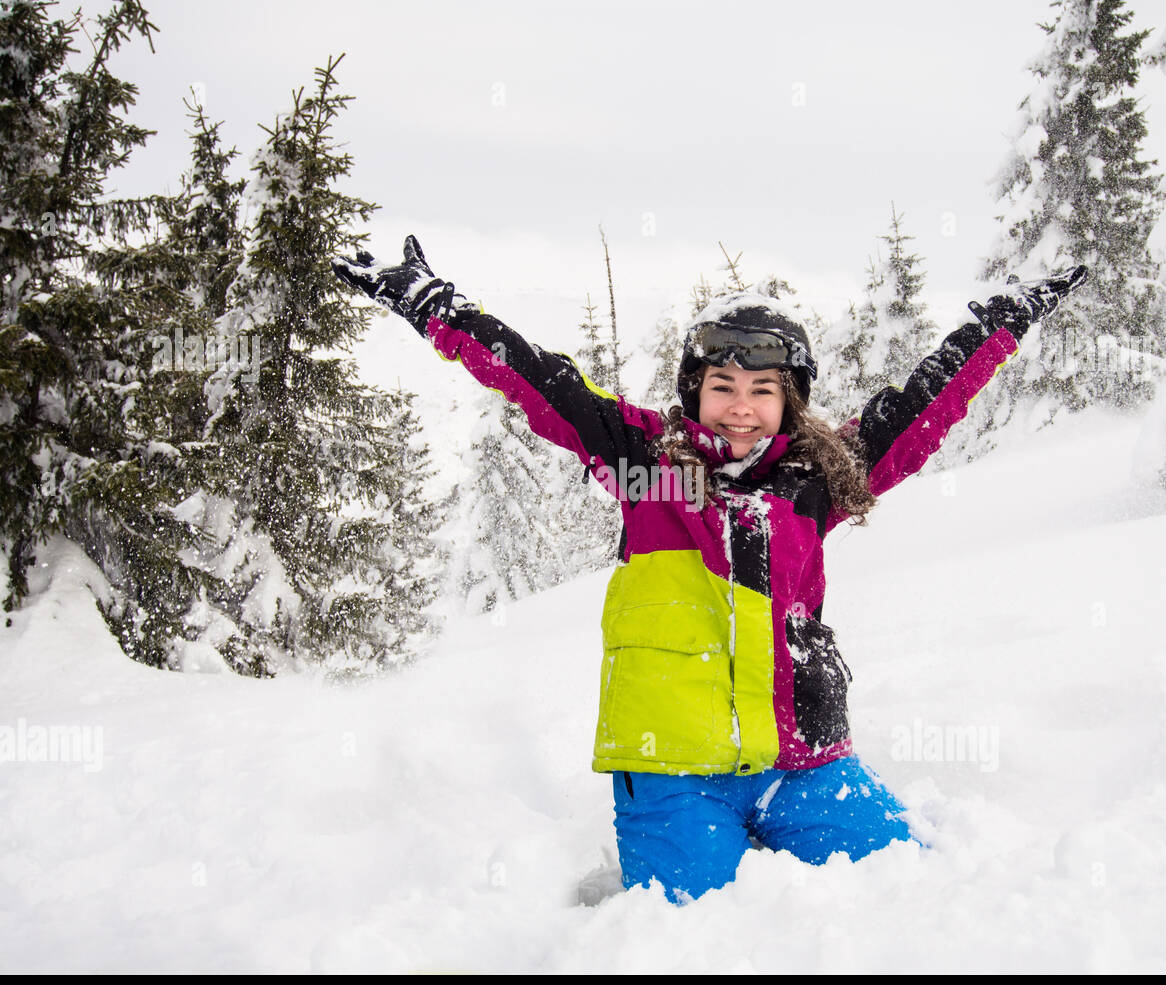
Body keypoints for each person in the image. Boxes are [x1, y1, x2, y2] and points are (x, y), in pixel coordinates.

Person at [332, 238, 1086, 902]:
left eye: (763, 391)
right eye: (722, 387)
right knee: (696, 943)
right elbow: (539, 379)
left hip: (803, 765)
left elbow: (922, 406)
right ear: (695, 390)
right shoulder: (644, 463)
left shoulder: (818, 475)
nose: (741, 408)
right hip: (673, 774)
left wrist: (1001, 326)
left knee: (911, 890)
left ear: (788, 401)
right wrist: (437, 307)